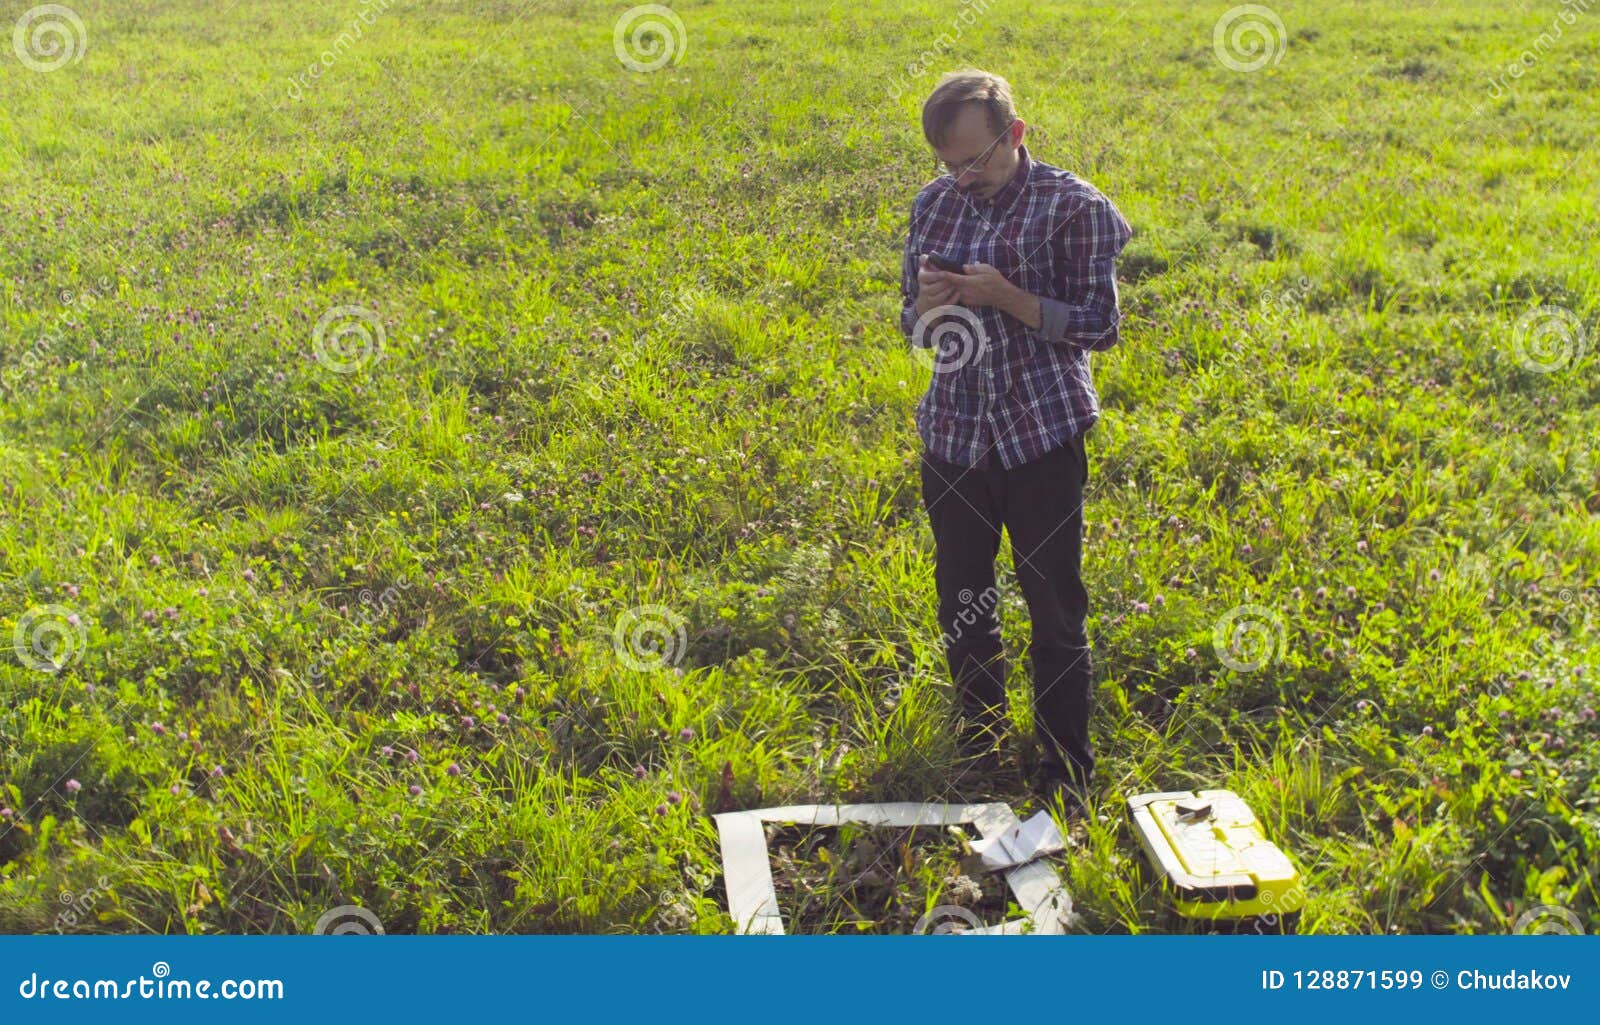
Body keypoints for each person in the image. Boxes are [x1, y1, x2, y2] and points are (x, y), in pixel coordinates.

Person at [898, 69, 1132, 818]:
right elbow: (911, 325)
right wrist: (926, 308)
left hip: (1040, 437)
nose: (963, 178)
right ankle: (981, 742)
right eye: (950, 163)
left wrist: (1010, 299)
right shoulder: (934, 204)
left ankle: (1065, 769)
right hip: (956, 436)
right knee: (963, 599)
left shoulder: (1075, 207)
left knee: (1054, 608)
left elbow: (1100, 325)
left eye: (976, 159)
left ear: (1016, 134)